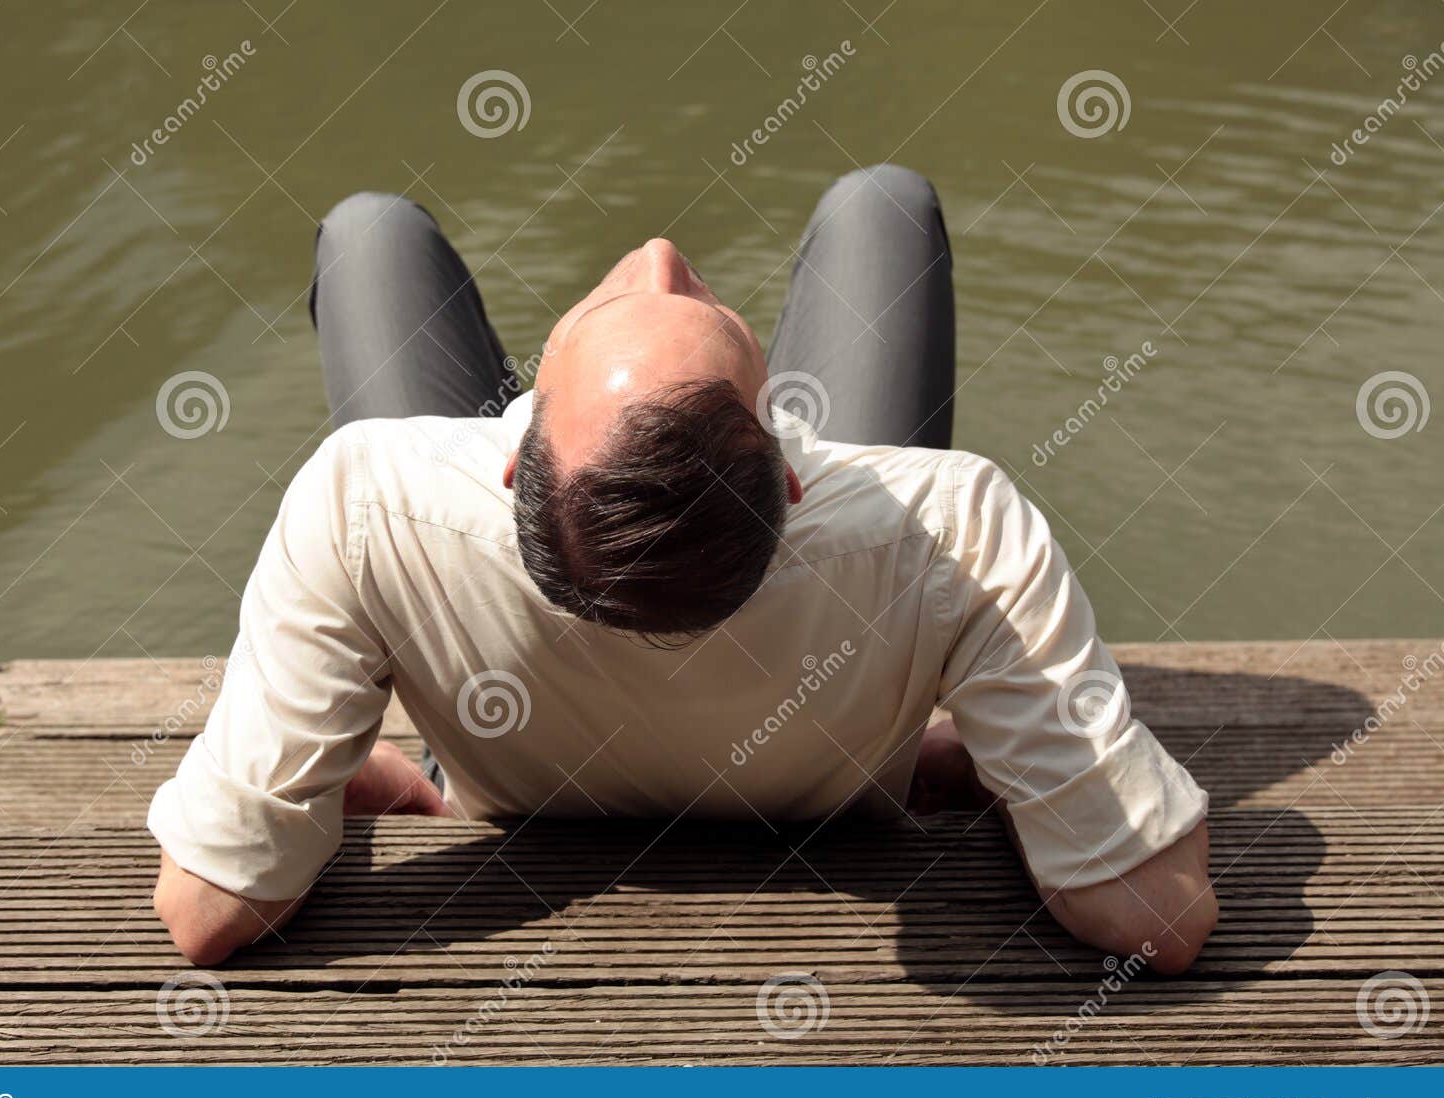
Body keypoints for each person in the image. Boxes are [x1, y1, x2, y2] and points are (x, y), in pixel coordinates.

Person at [149, 165, 1217, 972]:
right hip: (830, 795)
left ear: (512, 452)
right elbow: (1155, 914)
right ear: (796, 470)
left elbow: (210, 909)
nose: (657, 250)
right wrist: (1015, 745)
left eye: (651, 292)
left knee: (369, 232)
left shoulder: (363, 500)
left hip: (510, 785)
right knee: (882, 204)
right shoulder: (953, 525)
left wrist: (335, 772)